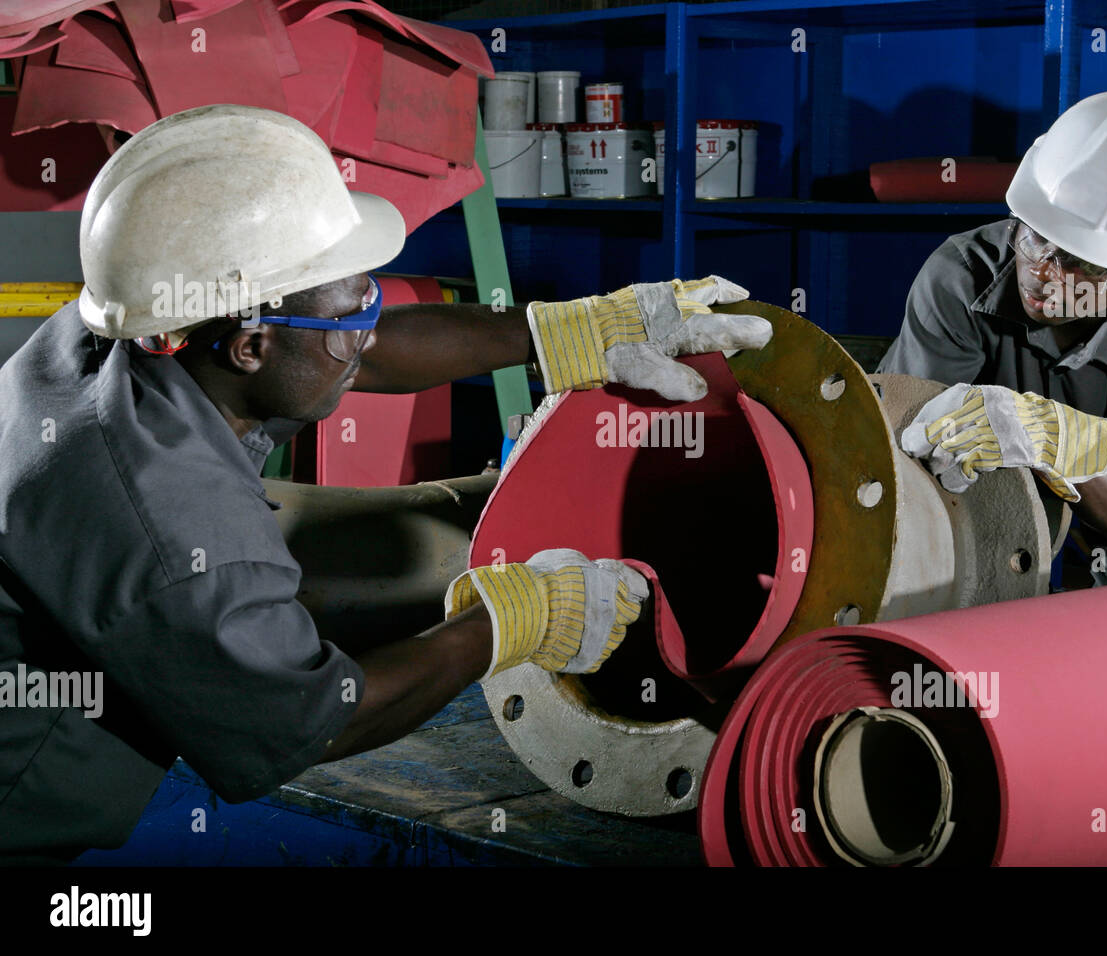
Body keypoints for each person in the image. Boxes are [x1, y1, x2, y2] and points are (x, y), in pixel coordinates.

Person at [0, 104, 770, 864]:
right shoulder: (173, 529)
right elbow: (313, 722)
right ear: (250, 346)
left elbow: (362, 349)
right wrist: (509, 623)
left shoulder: (132, 325)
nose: (369, 328)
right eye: (355, 306)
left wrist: (571, 333)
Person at [879, 90, 1107, 585]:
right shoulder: (962, 272)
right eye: (1036, 237)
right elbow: (904, 430)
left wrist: (1055, 445)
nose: (1045, 274)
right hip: (1005, 465)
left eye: (1084, 263)